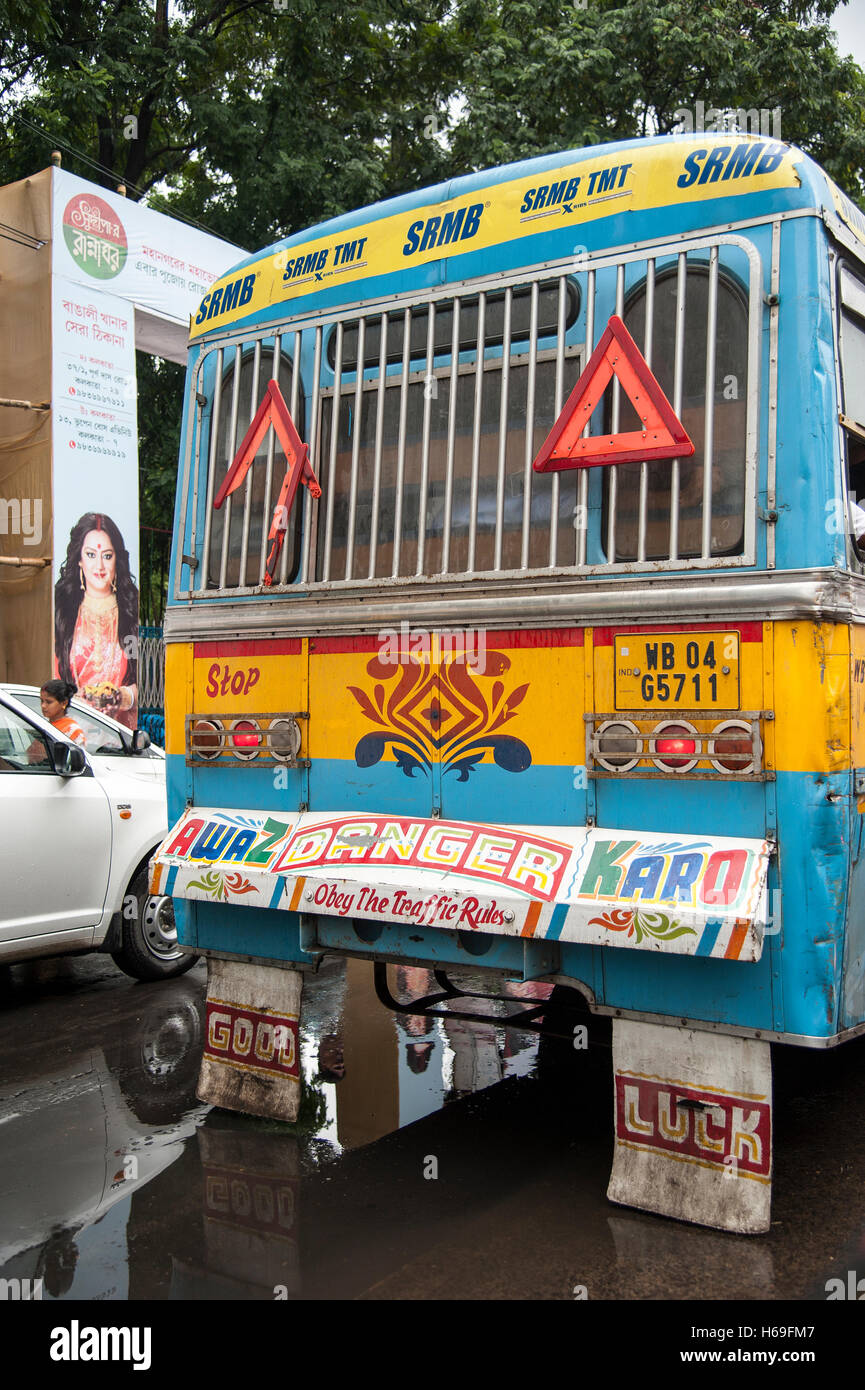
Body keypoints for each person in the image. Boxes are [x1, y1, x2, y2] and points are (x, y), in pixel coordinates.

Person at [54, 512, 139, 729]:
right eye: (91, 555)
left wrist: (121, 697)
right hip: (70, 735)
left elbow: (142, 681)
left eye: (107, 556)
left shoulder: (130, 611)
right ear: (80, 560)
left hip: (119, 737)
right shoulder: (64, 611)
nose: (99, 566)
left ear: (116, 560)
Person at [39, 679, 87, 746]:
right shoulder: (43, 725)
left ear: (64, 703)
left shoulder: (72, 730)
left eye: (49, 702)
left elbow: (77, 755)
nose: (43, 706)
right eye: (42, 701)